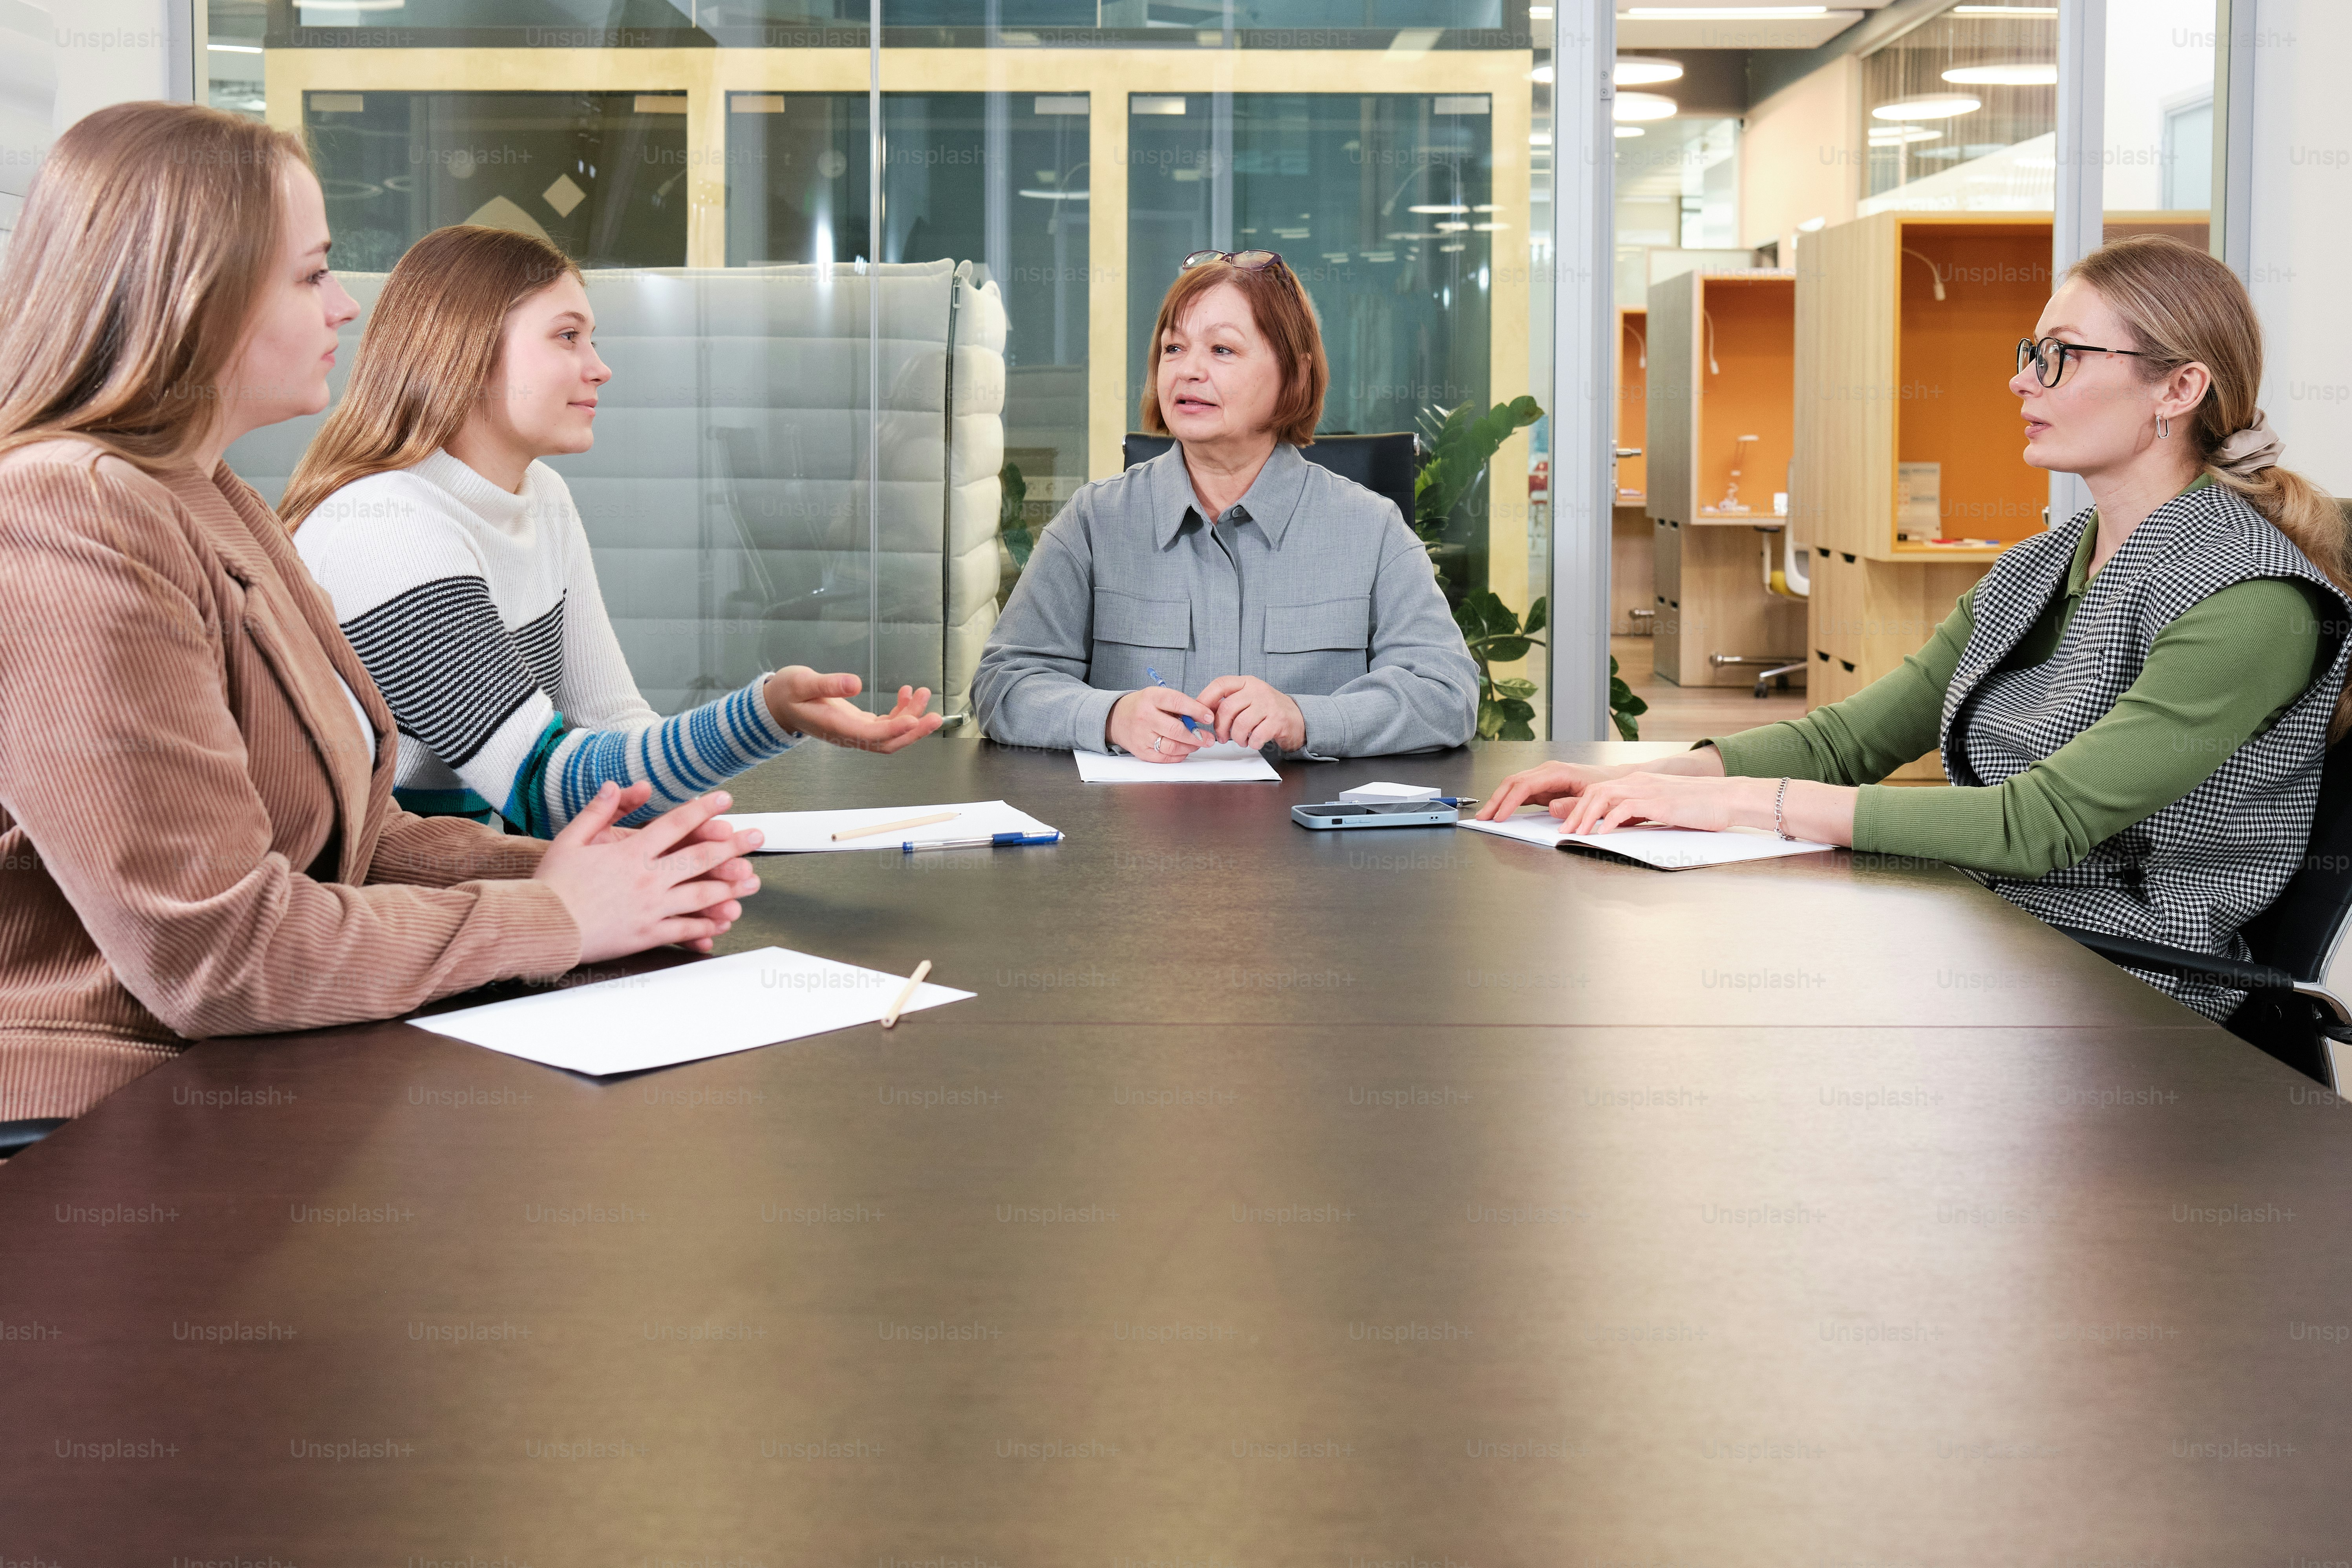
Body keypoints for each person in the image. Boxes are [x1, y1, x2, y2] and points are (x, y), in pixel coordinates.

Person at [0, 102, 764, 1126]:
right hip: (98, 1113)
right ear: (200, 295)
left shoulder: (208, 494)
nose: (348, 307)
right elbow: (212, 954)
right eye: (313, 274)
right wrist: (552, 913)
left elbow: (348, 842)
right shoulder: (71, 511)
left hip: (231, 1071)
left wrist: (586, 878)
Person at [1481, 235, 2352, 1023]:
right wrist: (1645, 777)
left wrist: (1735, 803)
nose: (2021, 379)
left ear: (2179, 386)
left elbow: (2032, 825)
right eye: (2030, 352)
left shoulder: (2252, 602)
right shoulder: (2038, 568)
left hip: (2130, 984)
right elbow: (1845, 741)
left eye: (2061, 356)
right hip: (1992, 928)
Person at [283, 225, 942, 838]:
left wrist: (680, 812)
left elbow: (615, 733)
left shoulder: (541, 497)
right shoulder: (382, 528)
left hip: (482, 896)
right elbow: (549, 789)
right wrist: (766, 713)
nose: (599, 368)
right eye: (567, 337)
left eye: (592, 339)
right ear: (466, 351)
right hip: (377, 925)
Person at [972, 250, 1477, 760]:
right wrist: (1110, 716)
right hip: (1133, 833)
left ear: (1294, 372)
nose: (1188, 370)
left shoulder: (1370, 530)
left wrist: (1306, 719)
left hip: (1302, 835)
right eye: (1174, 347)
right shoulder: (1094, 522)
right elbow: (1003, 684)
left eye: (1222, 350)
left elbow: (1446, 693)